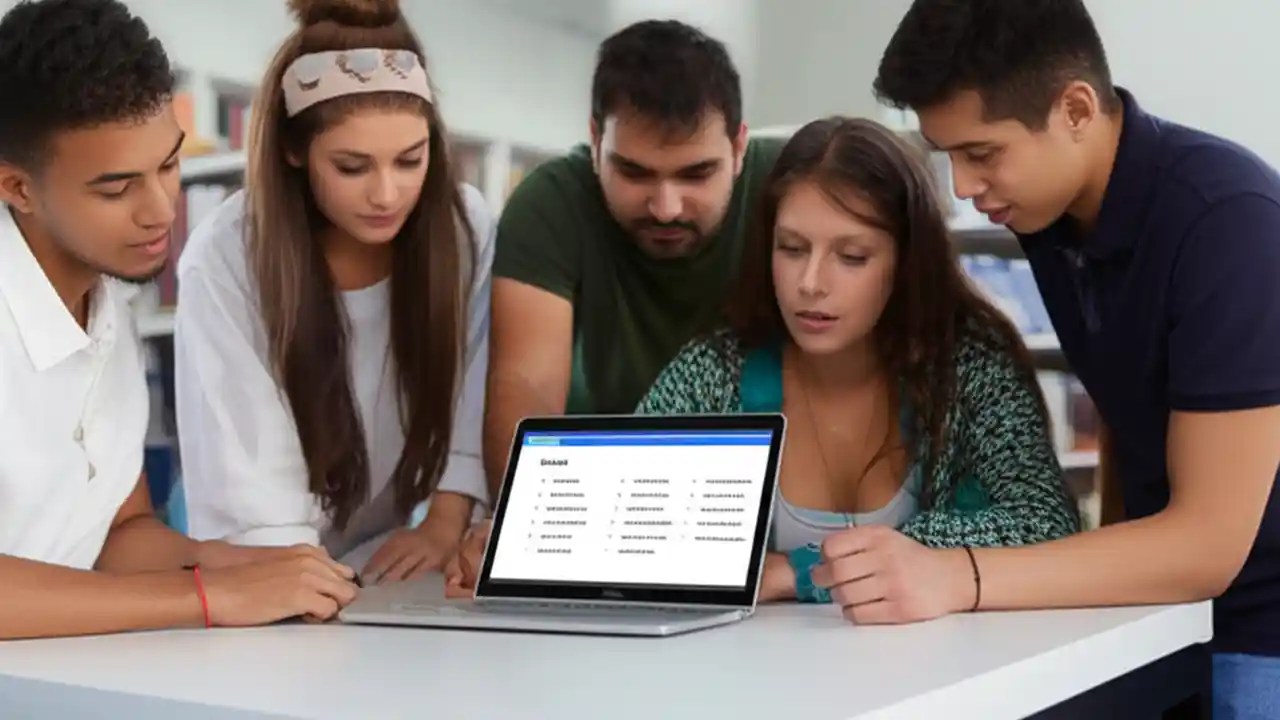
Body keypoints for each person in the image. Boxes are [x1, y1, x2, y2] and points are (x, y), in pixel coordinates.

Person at [869, 0, 1280, 714]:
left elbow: (1210, 545)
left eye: (982, 153)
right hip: (1168, 608)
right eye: (948, 158)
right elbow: (1131, 415)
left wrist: (956, 576)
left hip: (1261, 615)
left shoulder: (1230, 224)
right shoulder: (1052, 216)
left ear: (1077, 110)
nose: (963, 189)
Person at [0, 0, 357, 640]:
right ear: (17, 188)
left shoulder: (107, 297)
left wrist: (256, 567)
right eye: (115, 189)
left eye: (167, 165)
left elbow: (118, 531)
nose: (162, 210)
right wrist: (207, 593)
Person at [634, 116, 1080, 603]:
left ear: (906, 263)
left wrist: (802, 571)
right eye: (792, 249)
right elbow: (625, 533)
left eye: (852, 257)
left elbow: (1045, 521)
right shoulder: (714, 369)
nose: (810, 283)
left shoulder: (970, 364)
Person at [175, 0, 493, 584]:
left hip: (371, 550)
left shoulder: (462, 227)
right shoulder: (223, 259)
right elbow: (255, 507)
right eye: (352, 167)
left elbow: (475, 382)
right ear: (294, 153)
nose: (387, 194)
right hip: (260, 556)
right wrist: (302, 584)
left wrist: (445, 522)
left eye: (410, 160)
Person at [481, 19, 784, 500]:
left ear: (739, 147)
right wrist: (519, 525)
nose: (666, 206)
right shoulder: (550, 203)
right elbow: (527, 386)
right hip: (593, 497)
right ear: (596, 143)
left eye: (697, 173)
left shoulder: (795, 186)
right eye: (634, 172)